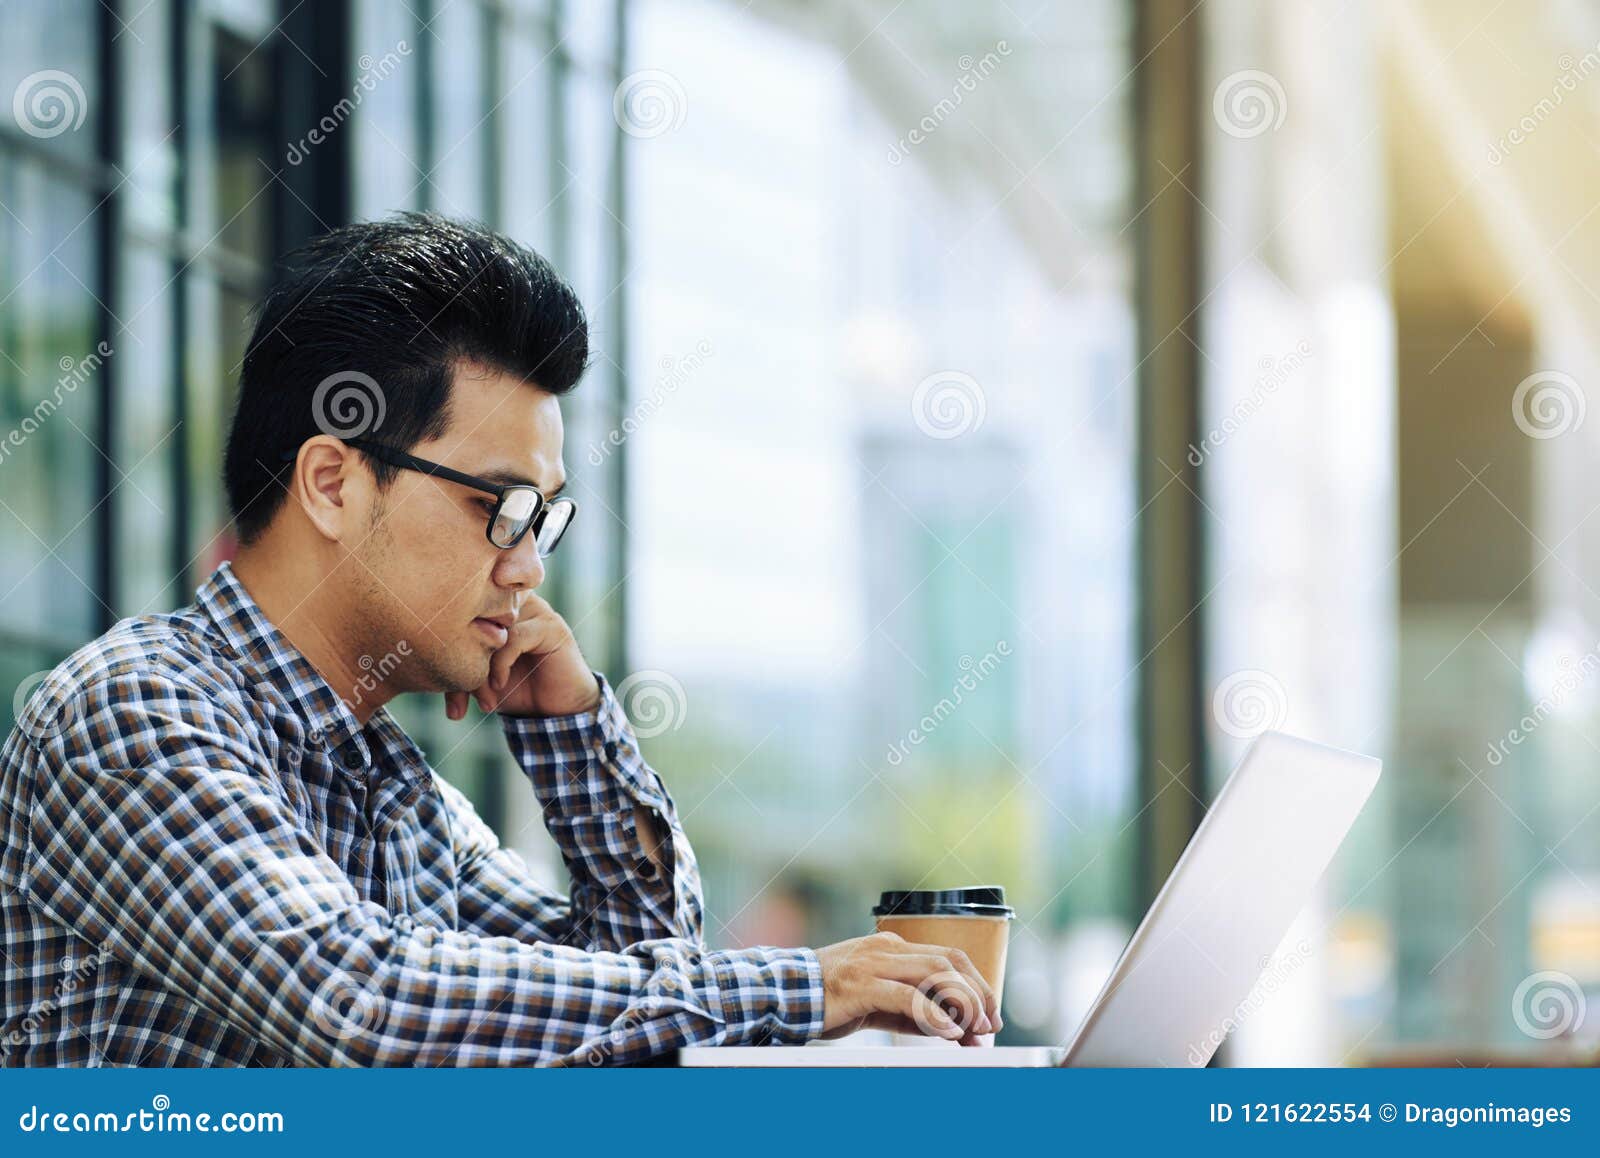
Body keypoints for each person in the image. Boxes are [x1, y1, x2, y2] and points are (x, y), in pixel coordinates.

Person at [0, 213, 997, 1066]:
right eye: (499, 508)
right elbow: (365, 1003)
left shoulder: (397, 792)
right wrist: (806, 987)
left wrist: (576, 737)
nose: (527, 569)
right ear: (333, 483)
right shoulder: (134, 709)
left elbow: (625, 1020)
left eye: (542, 520)